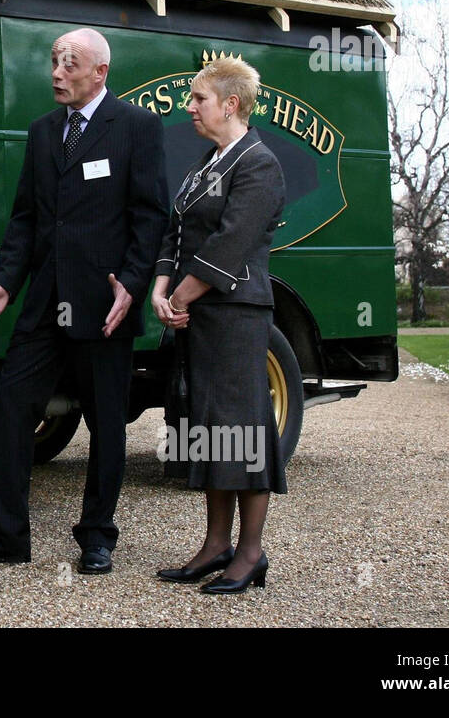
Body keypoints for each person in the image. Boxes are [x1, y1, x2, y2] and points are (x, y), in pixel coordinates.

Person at [0, 28, 168, 574]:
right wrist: (5, 283)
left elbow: (151, 216)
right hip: (45, 302)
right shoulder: (44, 132)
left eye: (70, 65)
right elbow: (27, 218)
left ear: (100, 73)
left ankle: (97, 536)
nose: (57, 74)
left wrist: (133, 284)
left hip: (105, 305)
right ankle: (7, 536)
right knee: (11, 408)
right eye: (53, 63)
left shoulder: (137, 127)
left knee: (106, 423)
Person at [151, 56, 286, 594]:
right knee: (206, 427)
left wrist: (179, 295)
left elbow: (229, 243)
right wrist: (161, 290)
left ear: (230, 104)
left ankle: (250, 553)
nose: (190, 108)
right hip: (199, 314)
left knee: (244, 430)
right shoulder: (209, 162)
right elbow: (175, 230)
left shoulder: (258, 163)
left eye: (198, 99)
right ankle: (215, 546)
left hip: (236, 315)